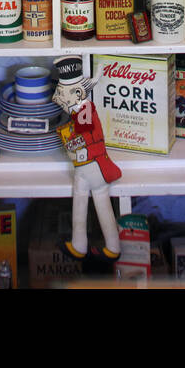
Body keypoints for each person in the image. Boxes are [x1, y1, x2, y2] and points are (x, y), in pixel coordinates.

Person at [52, 56, 121, 260]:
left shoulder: (84, 111)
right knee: (89, 200)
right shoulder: (81, 110)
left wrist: (67, 134)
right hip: (86, 165)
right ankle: (86, 245)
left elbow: (84, 137)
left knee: (93, 199)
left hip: (92, 164)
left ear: (78, 93)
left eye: (62, 94)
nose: (58, 98)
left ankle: (104, 247)